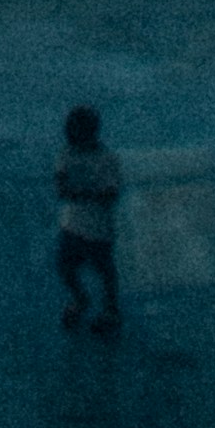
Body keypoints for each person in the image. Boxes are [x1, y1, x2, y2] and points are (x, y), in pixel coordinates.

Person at [55, 106, 125, 336]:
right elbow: (62, 184)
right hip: (73, 224)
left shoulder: (106, 159)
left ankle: (110, 310)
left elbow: (111, 193)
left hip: (97, 228)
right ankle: (81, 299)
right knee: (65, 266)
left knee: (104, 270)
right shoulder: (68, 153)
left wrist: (79, 193)